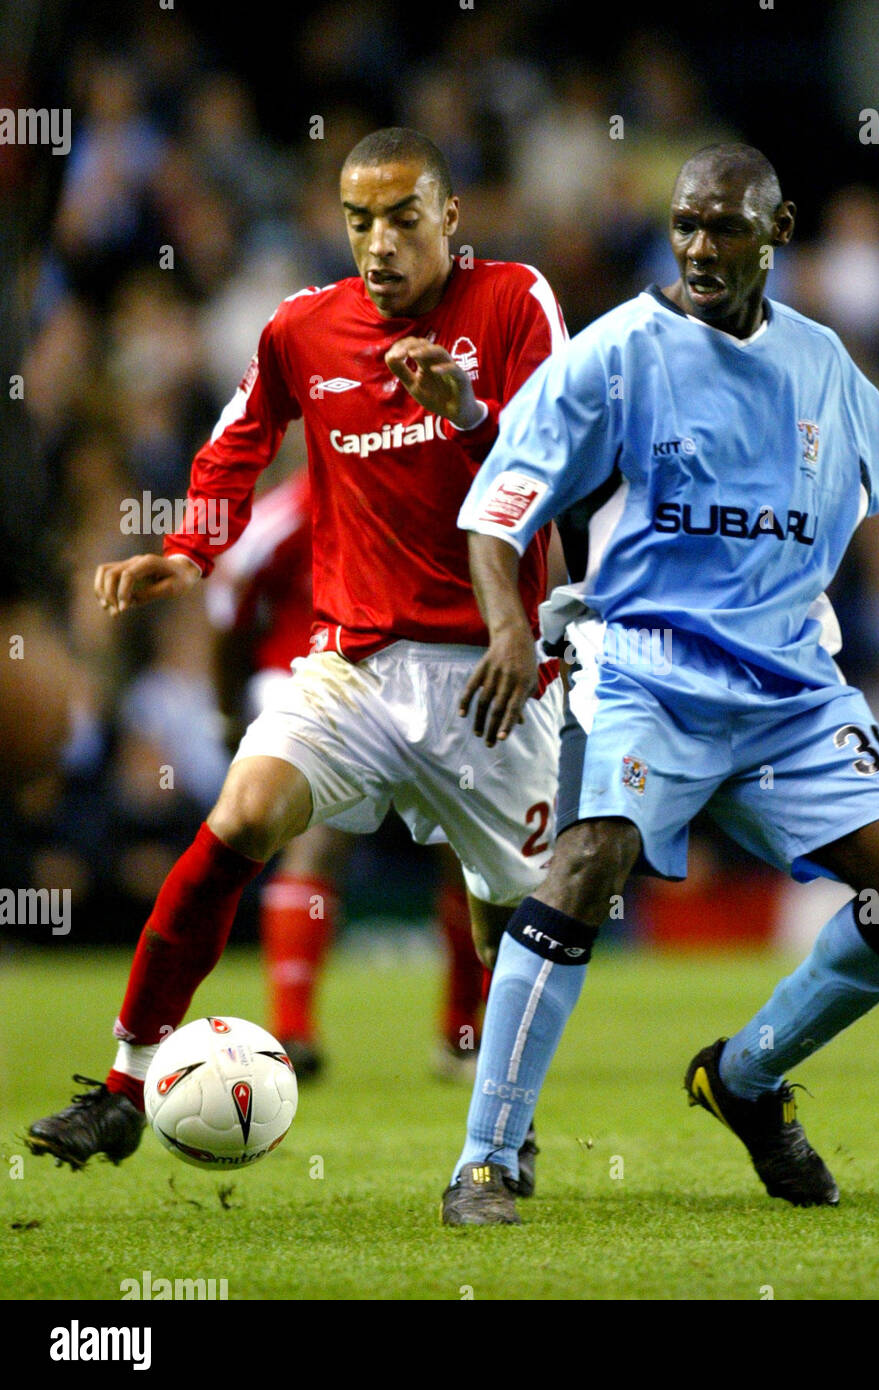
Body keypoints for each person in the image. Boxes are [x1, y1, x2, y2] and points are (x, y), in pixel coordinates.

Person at [439, 143, 879, 1226]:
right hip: (645, 668)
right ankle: (487, 1158)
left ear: (776, 236)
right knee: (588, 859)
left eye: (724, 227)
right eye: (684, 224)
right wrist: (508, 628)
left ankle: (742, 1078)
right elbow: (499, 506)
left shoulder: (822, 362)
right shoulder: (617, 354)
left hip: (789, 689)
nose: (697, 246)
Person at [27, 129, 566, 1202]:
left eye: (403, 216)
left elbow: (560, 450)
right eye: (360, 219)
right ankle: (126, 1088)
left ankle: (498, 1144)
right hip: (352, 667)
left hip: (491, 676)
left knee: (524, 912)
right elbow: (240, 434)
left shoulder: (512, 301)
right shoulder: (302, 328)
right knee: (236, 820)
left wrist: (463, 412)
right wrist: (189, 545)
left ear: (449, 218)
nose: (378, 241)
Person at [206, 467, 491, 1082]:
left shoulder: (442, 486)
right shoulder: (299, 506)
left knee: (462, 849)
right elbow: (229, 600)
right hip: (309, 674)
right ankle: (293, 1032)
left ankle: (460, 1033)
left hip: (427, 679)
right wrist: (229, 709)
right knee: (318, 835)